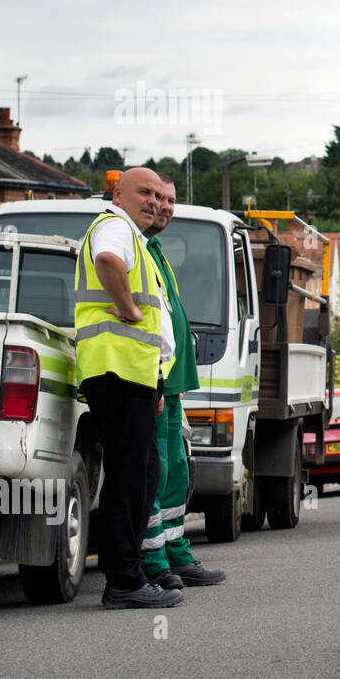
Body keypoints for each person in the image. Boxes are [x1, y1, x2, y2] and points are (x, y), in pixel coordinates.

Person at [74, 168, 181, 609]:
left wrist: (155, 383)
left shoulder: (134, 236)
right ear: (118, 193)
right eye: (144, 192)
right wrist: (130, 309)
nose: (155, 202)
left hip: (135, 375)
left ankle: (129, 573)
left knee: (142, 474)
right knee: (127, 476)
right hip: (116, 370)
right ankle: (122, 580)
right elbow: (106, 263)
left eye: (159, 195)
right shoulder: (115, 226)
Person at [142, 177, 226, 590]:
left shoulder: (156, 250)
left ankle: (175, 553)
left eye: (170, 200)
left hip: (170, 385)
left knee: (175, 470)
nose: (164, 206)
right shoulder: (137, 248)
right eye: (156, 198)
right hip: (151, 383)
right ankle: (154, 560)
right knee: (154, 474)